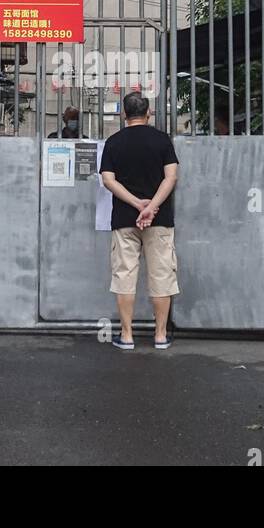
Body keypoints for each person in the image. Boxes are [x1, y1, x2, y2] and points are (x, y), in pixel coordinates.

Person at [99, 92, 180, 351]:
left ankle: (126, 335)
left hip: (124, 218)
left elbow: (108, 180)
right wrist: (151, 207)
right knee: (162, 274)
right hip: (159, 219)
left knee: (124, 275)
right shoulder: (162, 140)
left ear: (124, 115)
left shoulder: (114, 142)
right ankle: (159, 335)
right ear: (149, 113)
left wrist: (136, 204)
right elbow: (171, 177)